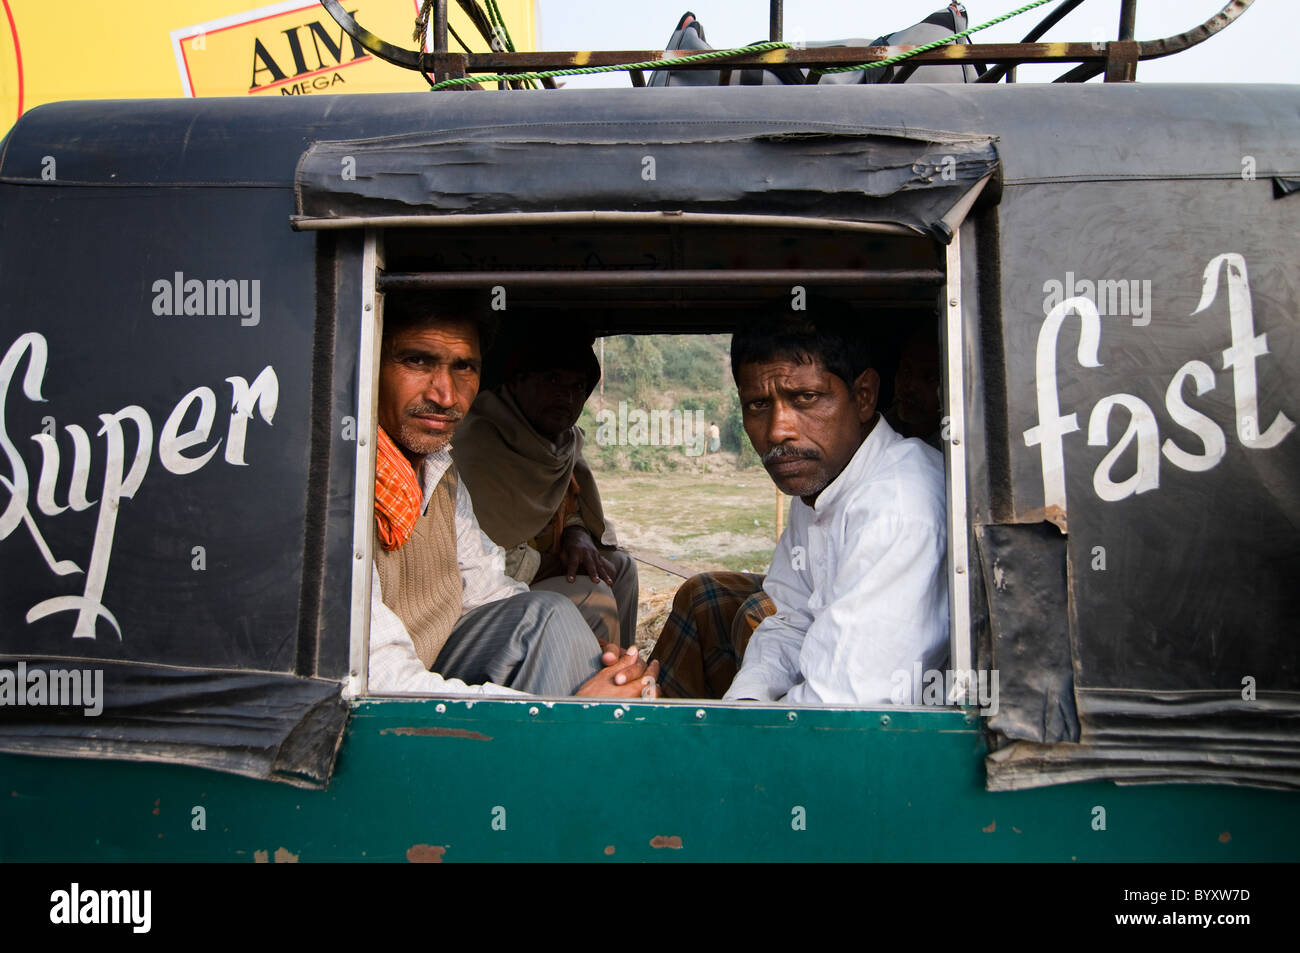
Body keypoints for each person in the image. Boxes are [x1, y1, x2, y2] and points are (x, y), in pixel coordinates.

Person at [650, 303, 948, 704]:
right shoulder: (820, 481)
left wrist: (738, 739)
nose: (778, 430)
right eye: (758, 405)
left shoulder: (896, 508)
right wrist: (746, 704)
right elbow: (789, 621)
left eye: (806, 397)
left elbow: (839, 706)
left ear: (863, 397)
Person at [368, 293, 657, 698]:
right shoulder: (340, 485)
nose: (445, 395)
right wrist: (569, 708)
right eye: (417, 361)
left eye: (464, 367)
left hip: (443, 647)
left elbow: (486, 585)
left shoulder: (441, 473)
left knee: (556, 614)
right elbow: (378, 681)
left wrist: (587, 648)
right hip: (391, 691)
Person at [451, 325, 639, 648]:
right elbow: (485, 561)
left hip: (541, 564)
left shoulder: (559, 442)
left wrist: (576, 532)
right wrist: (562, 561)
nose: (565, 396)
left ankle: (625, 664)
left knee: (620, 568)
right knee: (597, 595)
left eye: (577, 386)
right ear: (518, 380)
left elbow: (570, 502)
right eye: (552, 380)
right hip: (486, 589)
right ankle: (596, 686)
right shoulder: (482, 440)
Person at [886, 326, 944, 450]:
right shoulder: (879, 429)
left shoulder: (955, 447)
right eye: (906, 371)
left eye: (929, 377)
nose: (910, 386)